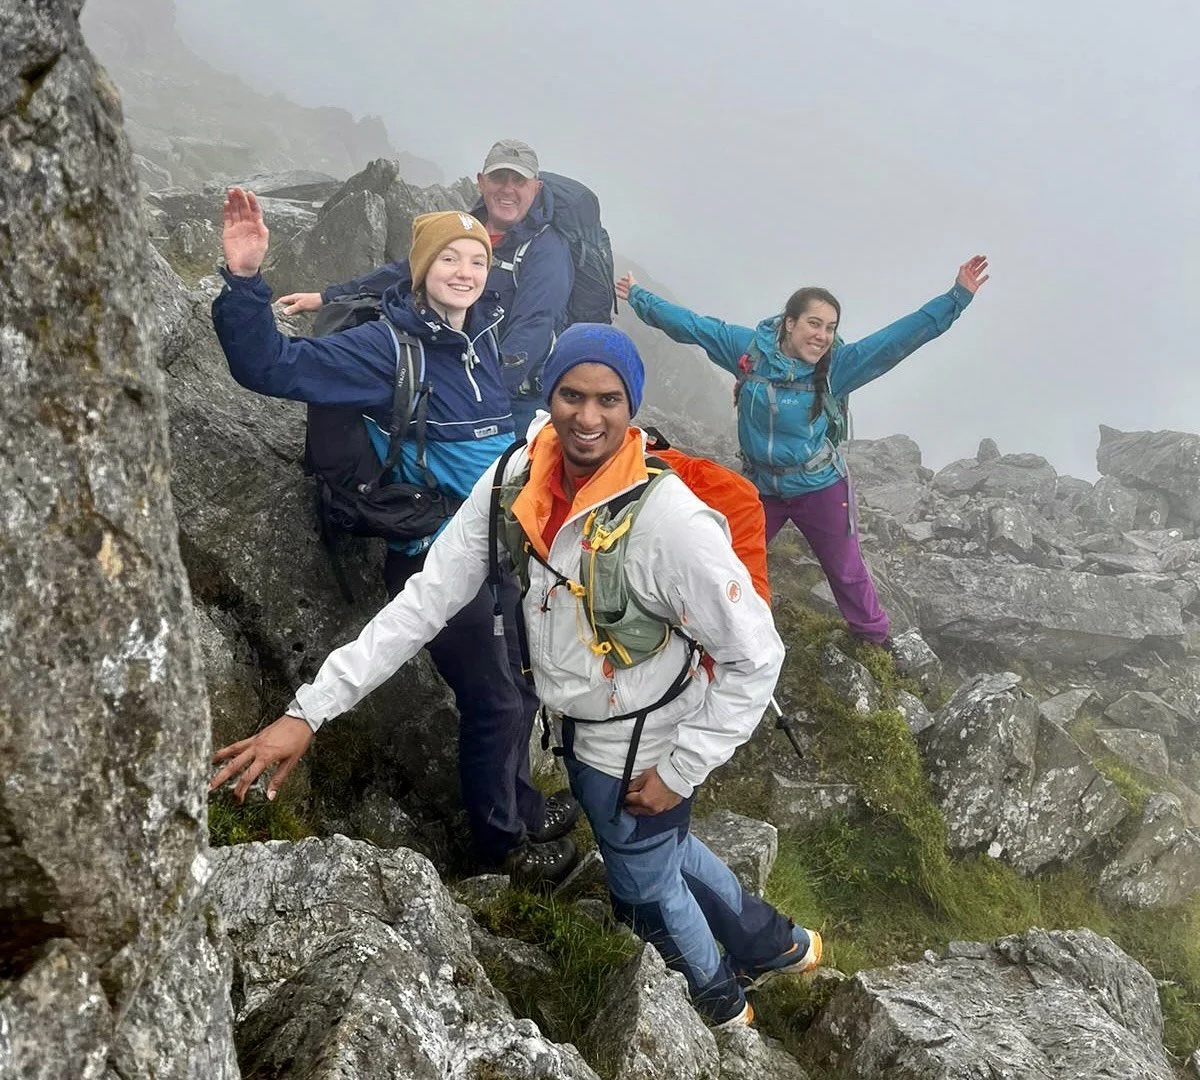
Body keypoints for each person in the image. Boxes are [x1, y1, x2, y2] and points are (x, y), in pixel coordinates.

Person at [209, 322, 823, 1028]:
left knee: (643, 884)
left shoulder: (671, 523)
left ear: (632, 409)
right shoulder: (516, 478)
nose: (586, 417)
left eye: (608, 400)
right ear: (550, 395)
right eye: (571, 395)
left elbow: (758, 653)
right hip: (602, 721)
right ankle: (778, 943)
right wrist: (308, 711)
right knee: (661, 850)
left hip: (641, 737)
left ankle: (720, 1008)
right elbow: (425, 602)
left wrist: (682, 769)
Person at [211, 187, 579, 884]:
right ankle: (503, 848)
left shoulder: (487, 340)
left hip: (501, 542)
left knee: (524, 685)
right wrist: (245, 282)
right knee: (494, 698)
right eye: (448, 258)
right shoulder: (385, 348)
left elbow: (510, 429)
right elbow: (270, 368)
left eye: (476, 258)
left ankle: (523, 808)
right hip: (431, 554)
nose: (465, 270)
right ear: (420, 269)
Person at [616, 257, 990, 647]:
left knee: (845, 570)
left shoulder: (836, 368)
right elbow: (690, 325)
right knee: (725, 553)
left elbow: (900, 338)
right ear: (789, 323)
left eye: (830, 328)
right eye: (814, 323)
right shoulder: (749, 353)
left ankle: (874, 641)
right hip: (763, 487)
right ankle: (716, 629)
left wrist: (957, 297)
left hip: (819, 487)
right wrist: (639, 297)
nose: (823, 336)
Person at [277, 139, 573, 438]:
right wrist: (328, 297)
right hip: (452, 377)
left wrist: (486, 395)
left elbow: (534, 325)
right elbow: (409, 269)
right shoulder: (465, 228)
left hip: (510, 399)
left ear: (535, 188)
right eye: (498, 178)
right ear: (481, 182)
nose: (507, 189)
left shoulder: (547, 249)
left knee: (499, 481)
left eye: (519, 180)